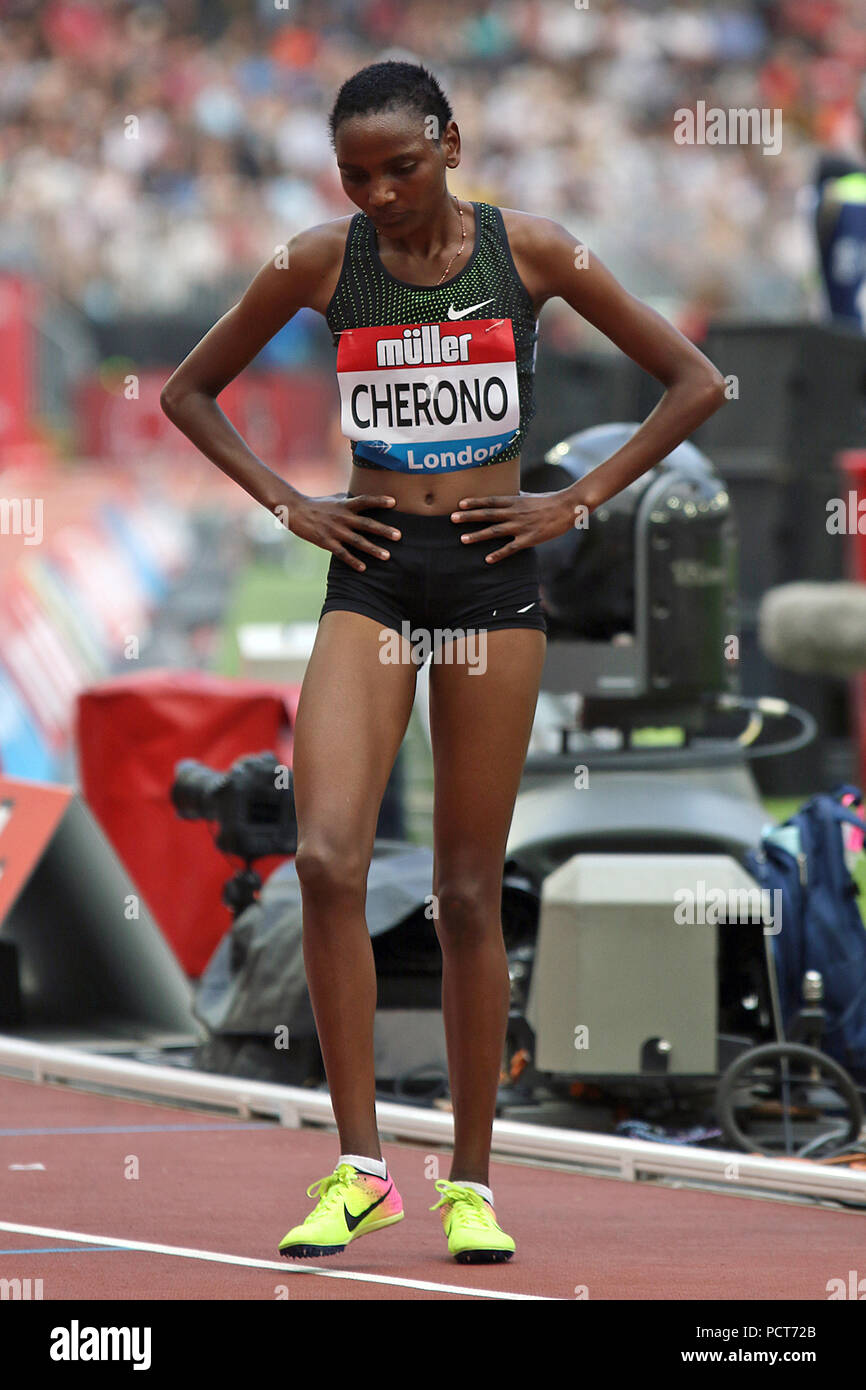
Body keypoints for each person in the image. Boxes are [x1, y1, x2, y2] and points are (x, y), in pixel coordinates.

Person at [161, 59, 727, 1265]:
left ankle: (469, 1182)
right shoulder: (321, 262)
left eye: (399, 168)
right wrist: (288, 503)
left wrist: (572, 500)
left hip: (488, 579)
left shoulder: (532, 253)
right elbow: (187, 390)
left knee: (469, 891)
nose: (375, 194)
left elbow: (692, 381)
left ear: (451, 144)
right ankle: (360, 1167)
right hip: (369, 572)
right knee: (323, 857)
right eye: (353, 175)